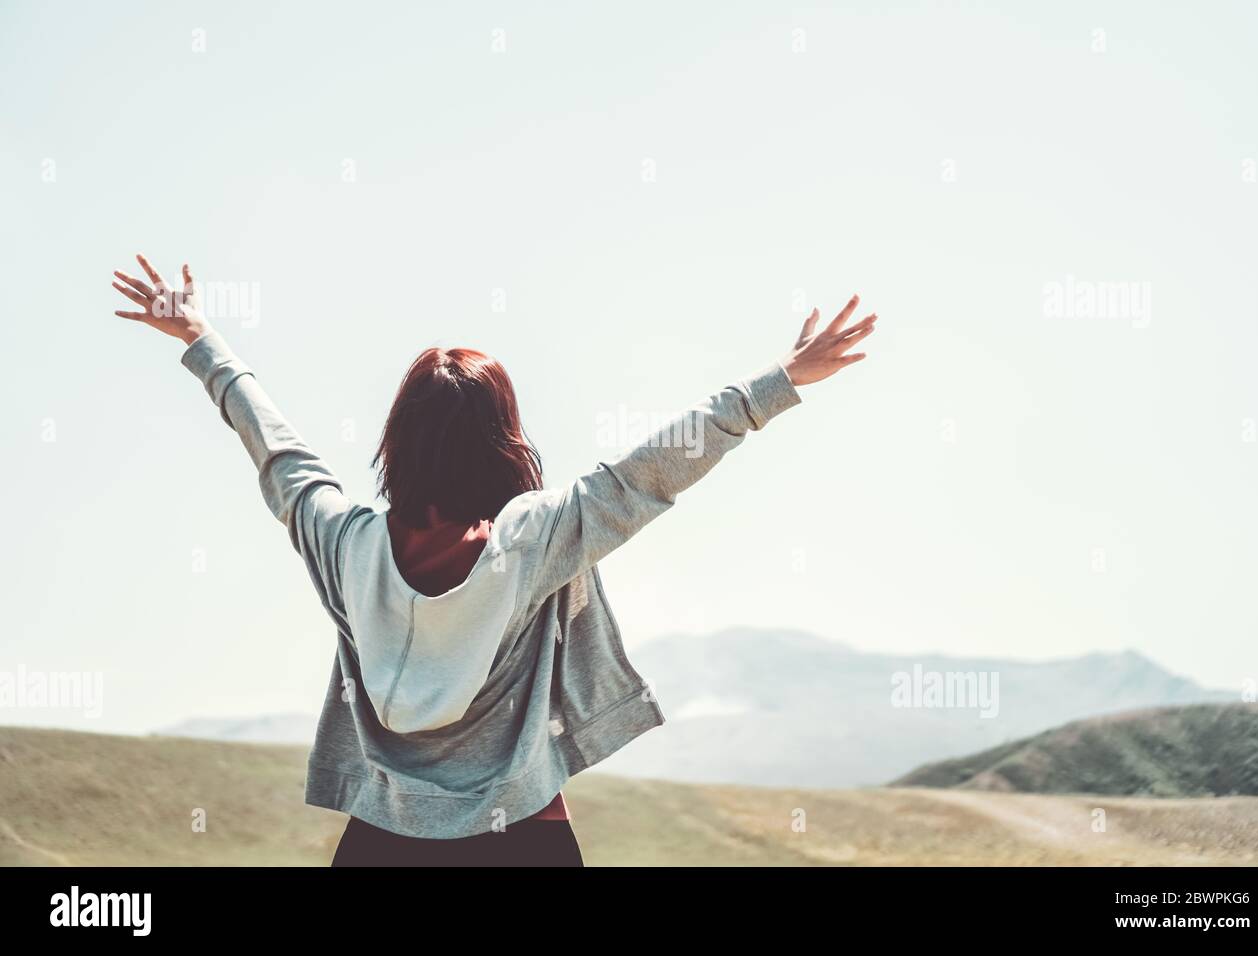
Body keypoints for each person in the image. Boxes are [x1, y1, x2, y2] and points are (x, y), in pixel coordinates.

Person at [112, 254, 878, 866]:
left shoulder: (342, 540)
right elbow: (651, 471)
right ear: (502, 437)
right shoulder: (537, 539)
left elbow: (276, 450)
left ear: (398, 438)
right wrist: (774, 385)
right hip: (527, 835)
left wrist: (202, 341)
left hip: (382, 839)